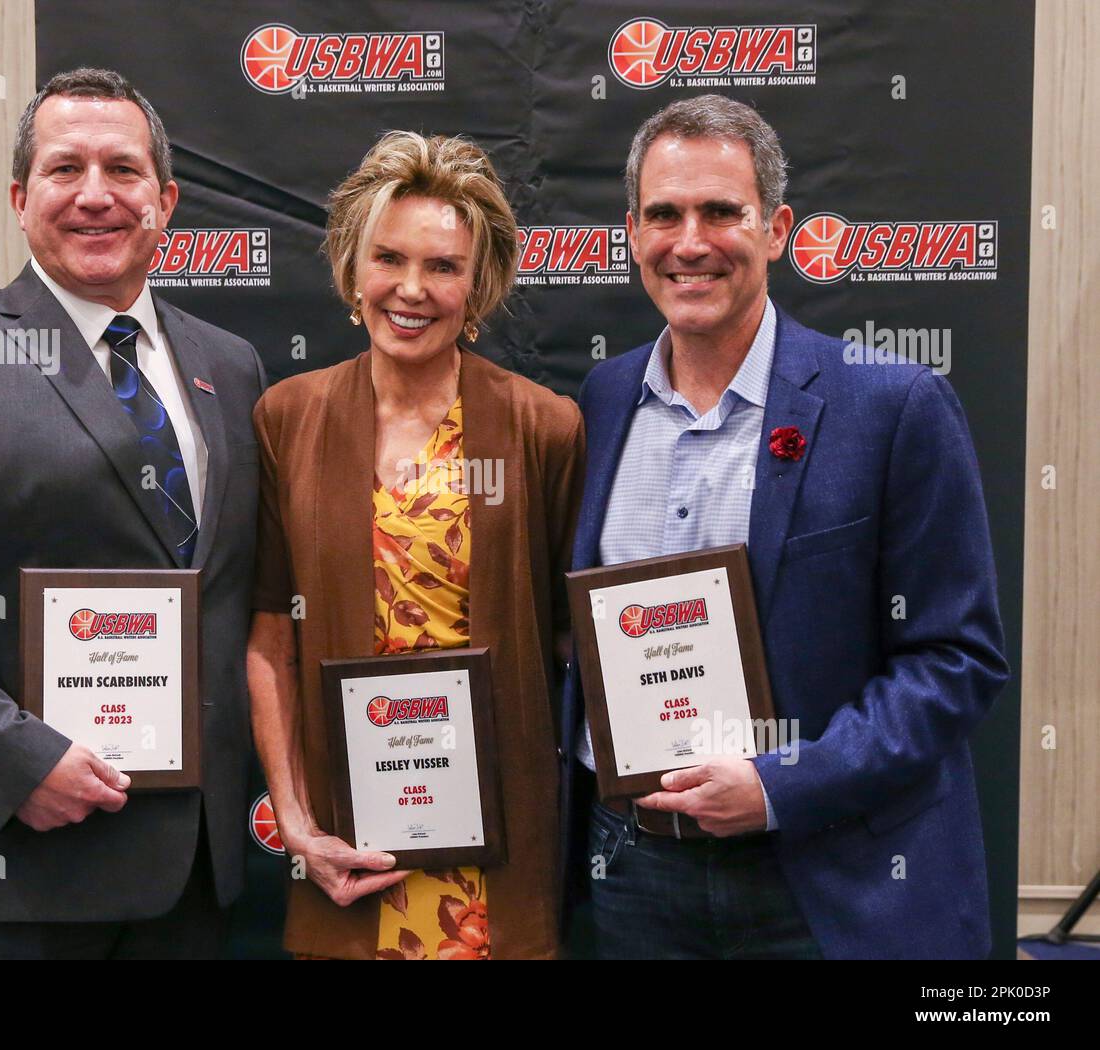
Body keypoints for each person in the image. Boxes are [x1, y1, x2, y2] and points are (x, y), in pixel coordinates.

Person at [563, 94, 1009, 959]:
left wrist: (778, 786)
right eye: (664, 214)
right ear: (631, 231)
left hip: (825, 874)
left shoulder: (893, 405)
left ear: (775, 230)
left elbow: (957, 661)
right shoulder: (602, 402)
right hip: (634, 872)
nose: (689, 241)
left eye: (721, 211)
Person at [0, 67, 265, 959]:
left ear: (167, 199)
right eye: (65, 169)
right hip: (11, 866)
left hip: (190, 867)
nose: (96, 195)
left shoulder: (231, 367)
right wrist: (19, 759)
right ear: (19, 196)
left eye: (123, 169)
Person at [247, 131, 584, 960]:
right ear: (352, 272)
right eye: (388, 259)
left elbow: (575, 641)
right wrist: (294, 823)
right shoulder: (287, 417)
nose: (411, 288)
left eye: (443, 266)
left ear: (479, 287)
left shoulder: (544, 426)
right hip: (348, 844)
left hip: (495, 851)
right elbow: (268, 638)